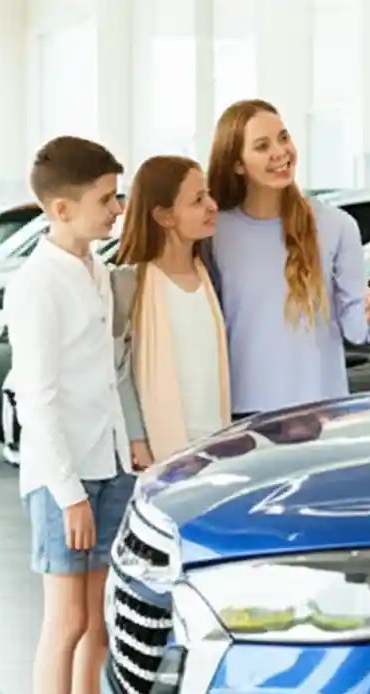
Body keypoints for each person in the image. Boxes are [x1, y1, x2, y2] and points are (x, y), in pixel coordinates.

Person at [4, 135, 133, 694]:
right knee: (66, 623)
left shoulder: (95, 271)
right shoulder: (37, 283)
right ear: (62, 209)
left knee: (98, 620)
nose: (117, 208)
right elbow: (37, 398)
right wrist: (69, 494)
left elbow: (104, 376)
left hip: (109, 466)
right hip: (66, 478)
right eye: (107, 198)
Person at [204, 99, 370, 420]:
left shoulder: (336, 225)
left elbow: (356, 331)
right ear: (237, 163)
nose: (280, 152)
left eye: (284, 137)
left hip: (322, 410)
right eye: (262, 146)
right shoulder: (215, 233)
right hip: (241, 416)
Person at [112, 155, 230, 469]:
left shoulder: (210, 277)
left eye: (208, 195)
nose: (212, 206)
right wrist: (137, 440)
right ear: (165, 216)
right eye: (197, 200)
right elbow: (119, 372)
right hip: (160, 450)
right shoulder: (129, 282)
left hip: (215, 445)